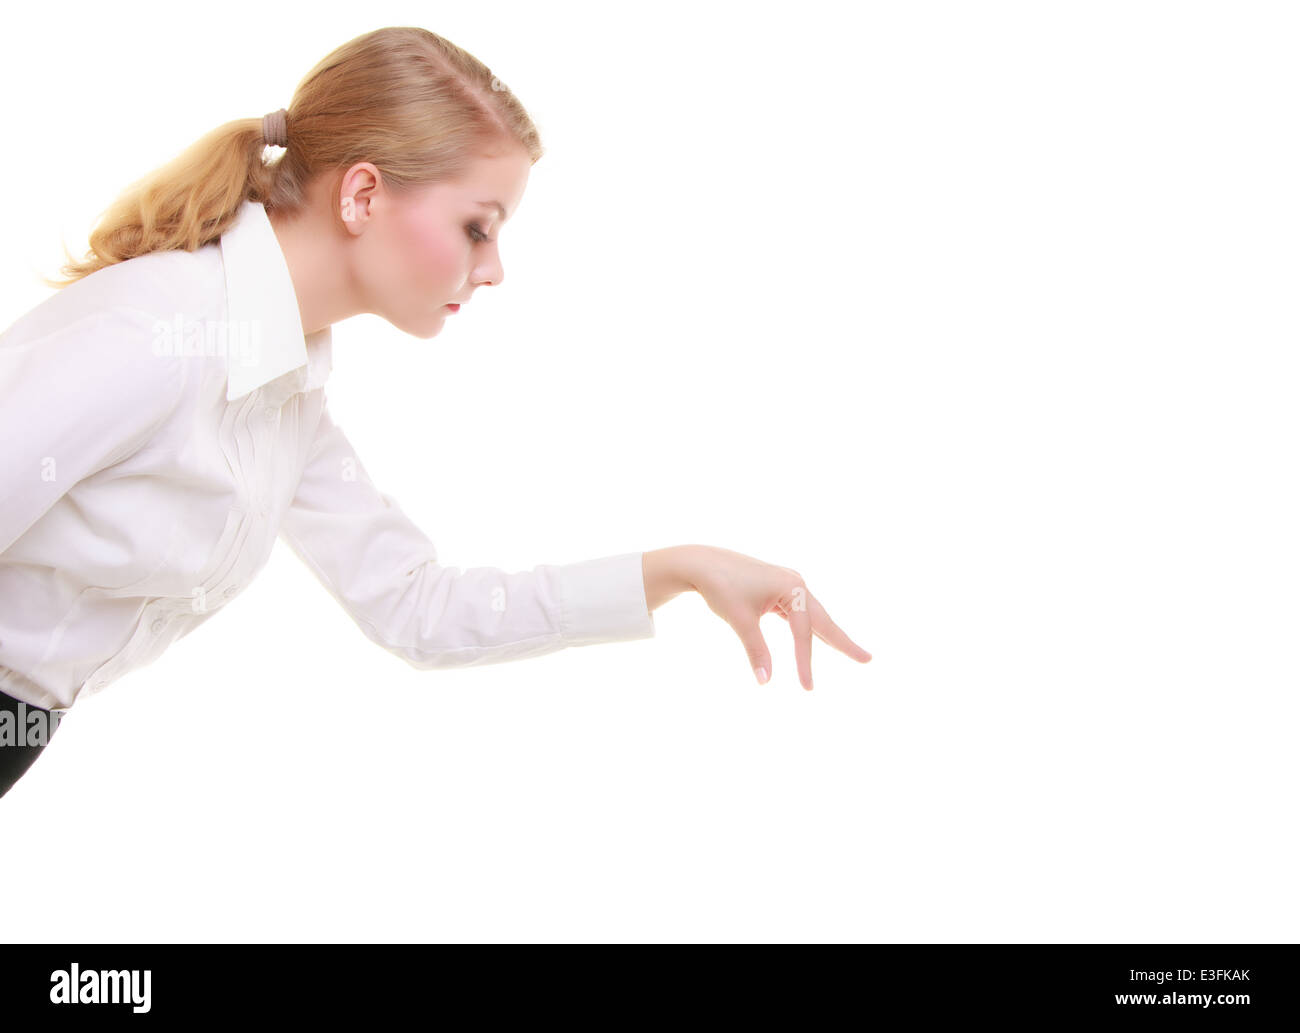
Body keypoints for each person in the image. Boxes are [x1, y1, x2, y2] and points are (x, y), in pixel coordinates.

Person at [0, 26, 871, 800]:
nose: (494, 270)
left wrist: (677, 568)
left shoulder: (282, 391)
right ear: (364, 195)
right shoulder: (163, 333)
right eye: (477, 227)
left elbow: (417, 608)